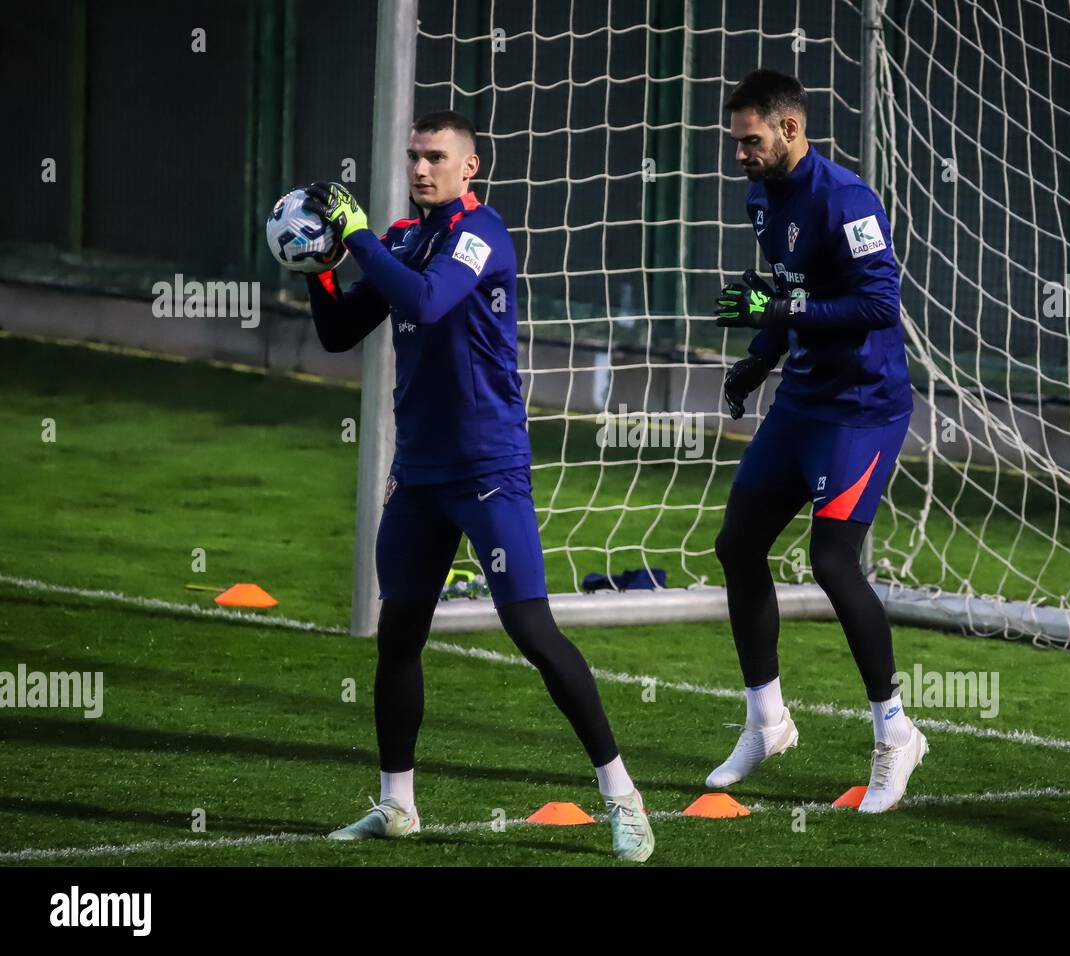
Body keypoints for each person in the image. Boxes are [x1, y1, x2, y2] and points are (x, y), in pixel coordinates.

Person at [301, 109, 653, 860]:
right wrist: (319, 264)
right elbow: (338, 331)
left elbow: (427, 301)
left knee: (533, 631)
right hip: (421, 473)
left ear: (471, 166)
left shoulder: (481, 233)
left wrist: (355, 234)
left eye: (435, 157)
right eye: (413, 157)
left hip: (489, 470)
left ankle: (623, 796)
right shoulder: (401, 238)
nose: (420, 169)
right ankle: (398, 804)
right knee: (399, 637)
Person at [710, 70, 926, 813]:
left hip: (862, 409)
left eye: (751, 139)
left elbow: (877, 304)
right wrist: (757, 360)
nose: (740, 152)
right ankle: (767, 721)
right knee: (738, 545)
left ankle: (896, 734)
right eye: (735, 140)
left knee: (831, 560)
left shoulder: (848, 199)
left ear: (791, 130)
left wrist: (783, 303)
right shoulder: (762, 196)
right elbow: (784, 290)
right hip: (803, 400)